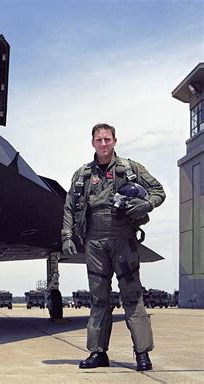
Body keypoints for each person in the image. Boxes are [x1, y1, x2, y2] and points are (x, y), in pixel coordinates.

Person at [61, 123, 165, 371]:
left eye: (107, 139)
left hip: (123, 240)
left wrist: (146, 205)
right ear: (93, 143)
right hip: (95, 243)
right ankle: (98, 353)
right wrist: (66, 236)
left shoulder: (130, 169)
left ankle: (142, 353)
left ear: (115, 141)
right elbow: (69, 207)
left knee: (132, 296)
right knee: (99, 299)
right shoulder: (82, 175)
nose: (104, 144)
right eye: (99, 140)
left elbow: (158, 190)